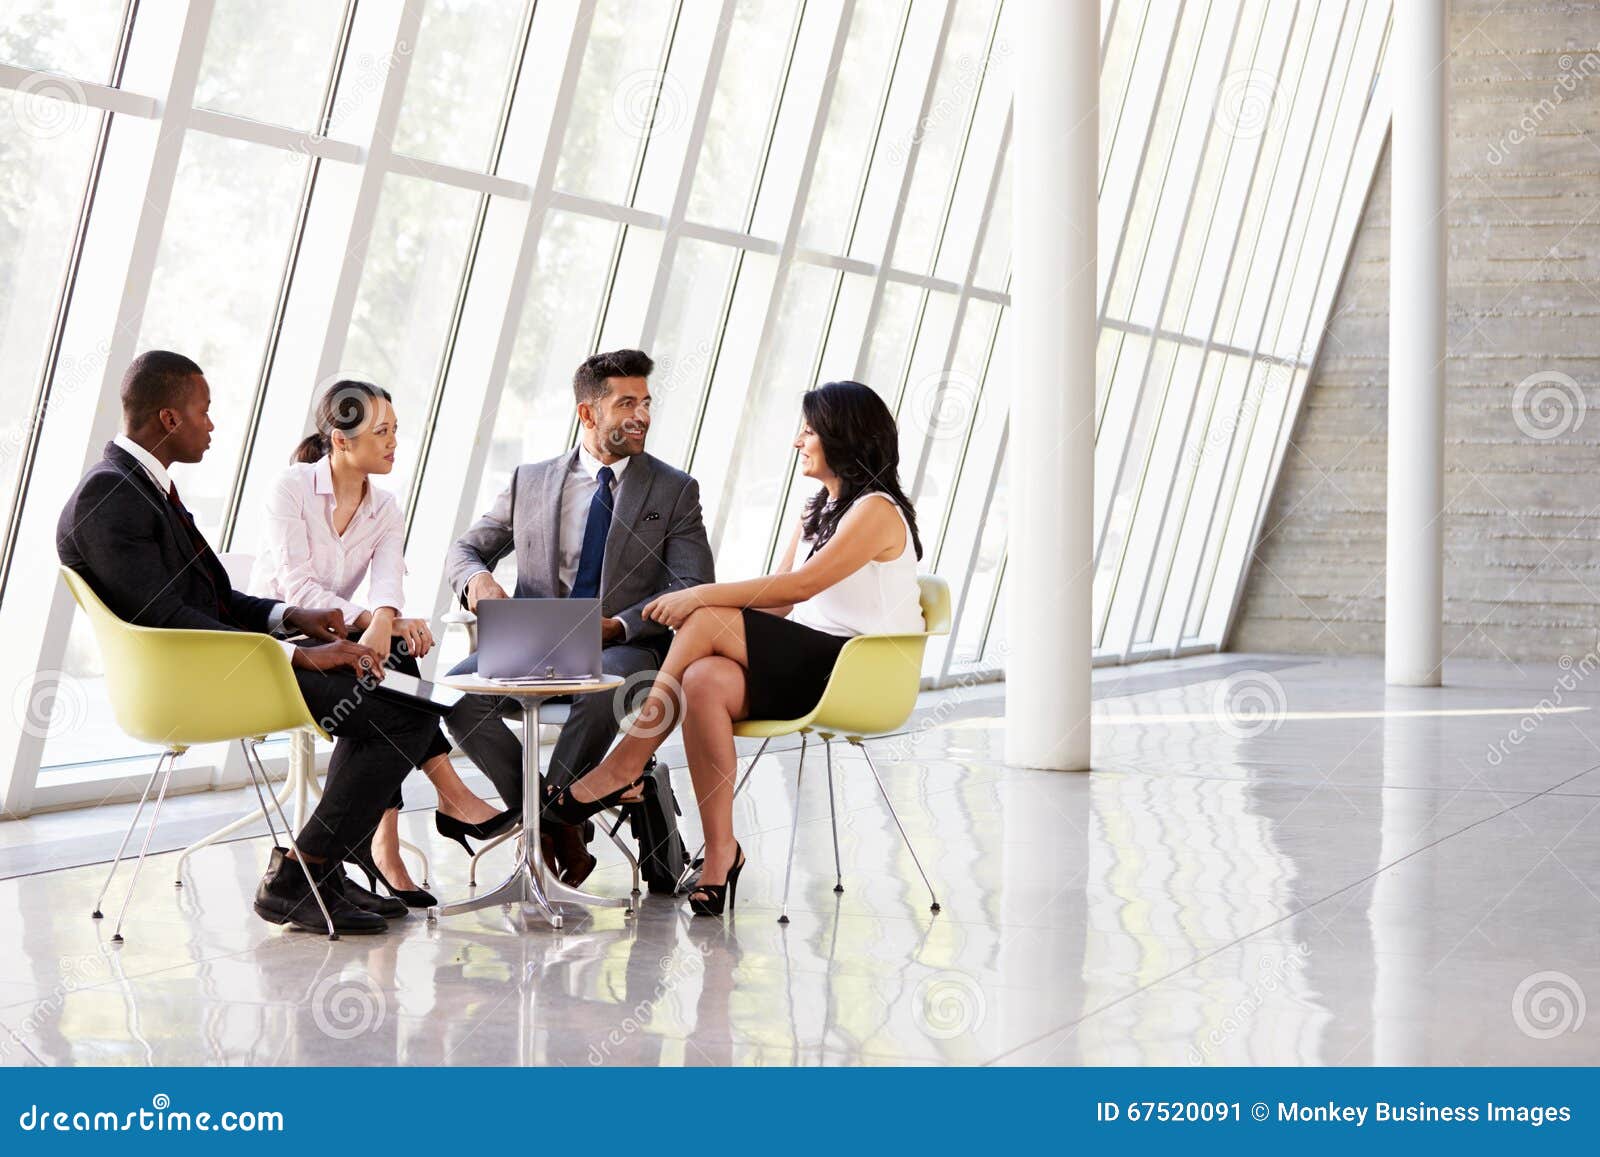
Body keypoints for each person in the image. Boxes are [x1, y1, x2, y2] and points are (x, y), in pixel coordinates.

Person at [57, 350, 437, 935]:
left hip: (228, 661)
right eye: (203, 412)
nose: (212, 425)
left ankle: (320, 870)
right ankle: (302, 875)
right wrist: (298, 654)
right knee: (399, 719)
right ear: (168, 419)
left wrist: (295, 615)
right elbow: (168, 620)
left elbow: (217, 598)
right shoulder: (109, 497)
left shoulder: (146, 489)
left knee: (398, 701)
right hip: (198, 681)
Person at [541, 380, 926, 916]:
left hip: (859, 670)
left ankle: (628, 760)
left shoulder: (877, 510)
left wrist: (701, 601)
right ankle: (722, 853)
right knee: (702, 681)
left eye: (809, 430)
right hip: (810, 663)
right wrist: (720, 626)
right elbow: (781, 606)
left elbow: (800, 587)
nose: (798, 441)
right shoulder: (820, 507)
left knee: (701, 617)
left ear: (843, 437)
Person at [444, 349, 715, 884]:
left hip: (624, 644)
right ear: (588, 415)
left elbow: (691, 585)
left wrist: (617, 625)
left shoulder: (675, 489)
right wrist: (477, 582)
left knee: (602, 691)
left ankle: (553, 815)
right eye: (626, 403)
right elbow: (466, 550)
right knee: (455, 694)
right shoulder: (531, 480)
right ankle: (555, 822)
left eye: (646, 402)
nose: (641, 415)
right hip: (536, 642)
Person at [252, 379, 514, 907]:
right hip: (280, 642)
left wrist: (386, 618)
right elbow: (299, 588)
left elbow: (389, 581)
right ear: (342, 441)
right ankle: (444, 801)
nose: (394, 442)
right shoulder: (292, 487)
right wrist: (378, 620)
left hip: (340, 638)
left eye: (395, 430)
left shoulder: (386, 506)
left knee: (392, 666)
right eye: (381, 432)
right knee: (394, 681)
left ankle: (387, 844)